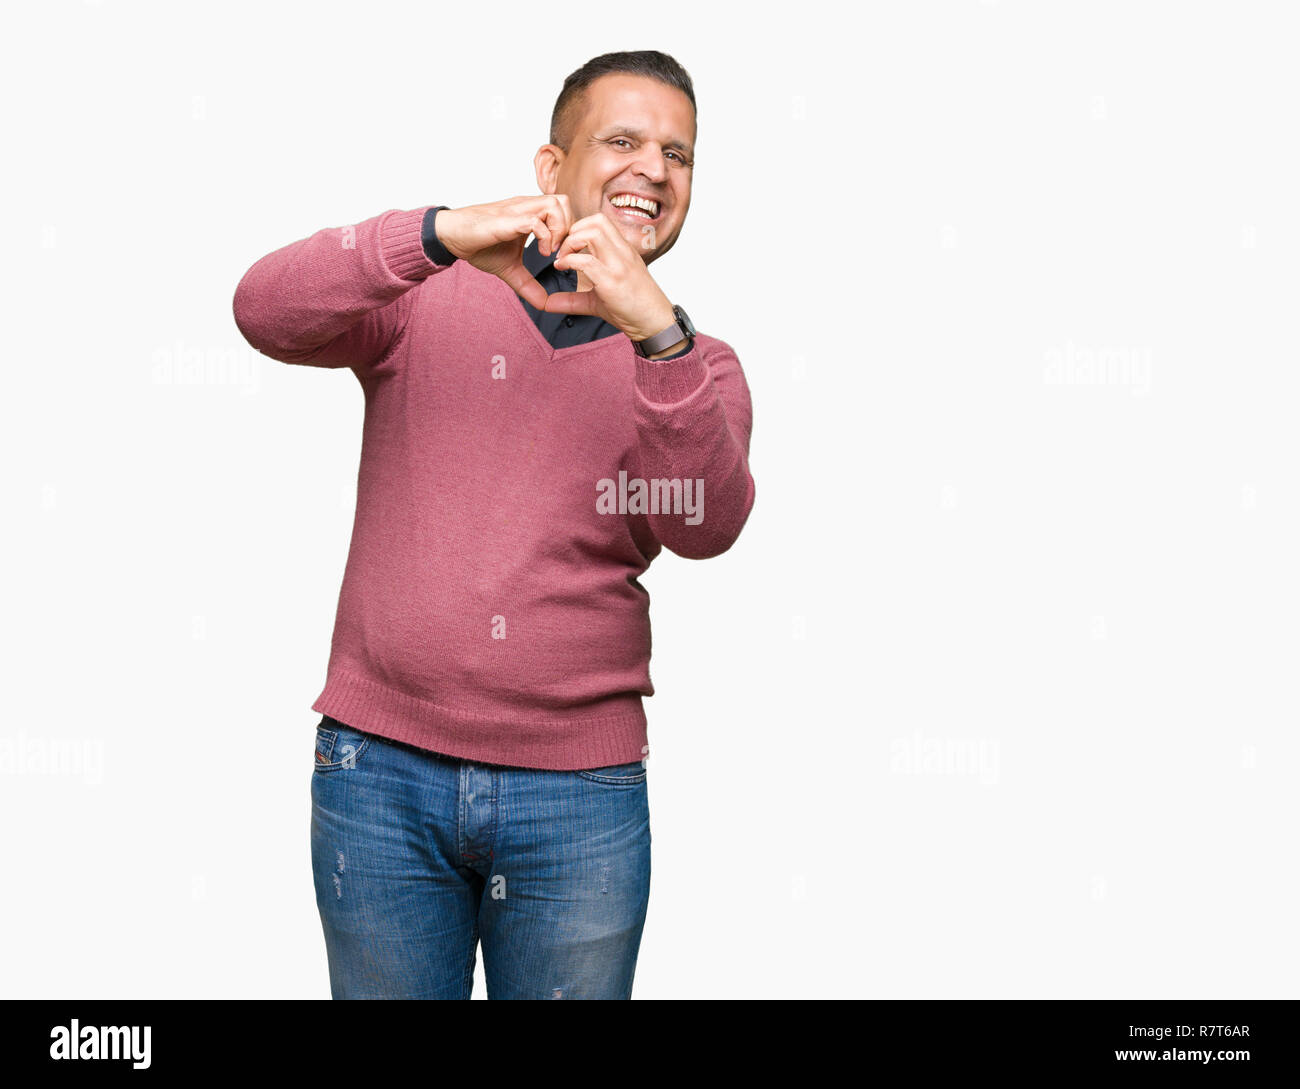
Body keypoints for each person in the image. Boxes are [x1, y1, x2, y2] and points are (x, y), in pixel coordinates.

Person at [232, 49, 755, 999]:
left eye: (679, 154)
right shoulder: (425, 299)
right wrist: (434, 234)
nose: (654, 168)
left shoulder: (697, 363)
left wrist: (657, 334)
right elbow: (263, 310)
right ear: (551, 169)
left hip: (578, 802)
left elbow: (704, 523)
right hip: (378, 777)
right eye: (624, 140)